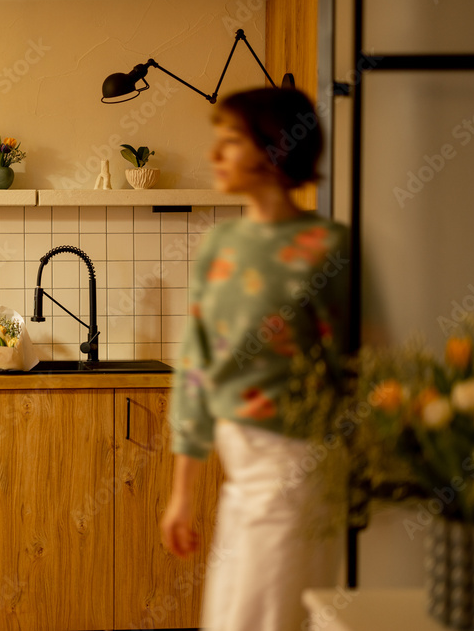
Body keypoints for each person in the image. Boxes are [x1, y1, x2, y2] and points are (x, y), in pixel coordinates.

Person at [160, 87, 351, 631]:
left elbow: (353, 366)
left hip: (299, 467)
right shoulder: (220, 244)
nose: (213, 155)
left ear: (274, 148)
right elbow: (196, 368)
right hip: (239, 474)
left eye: (231, 141)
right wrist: (181, 494)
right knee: (228, 616)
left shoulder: (326, 246)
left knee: (263, 619)